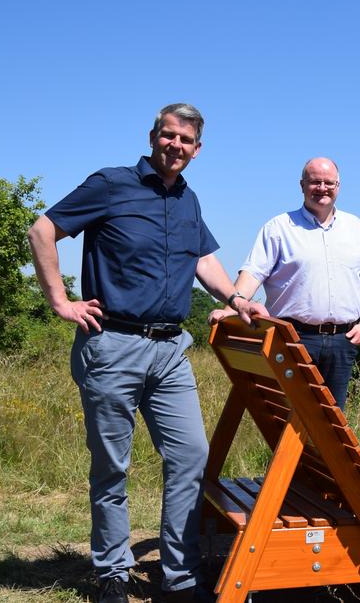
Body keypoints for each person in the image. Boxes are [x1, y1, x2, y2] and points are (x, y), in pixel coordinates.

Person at [27, 103, 265, 603]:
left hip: (171, 349)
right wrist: (60, 301)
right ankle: (112, 572)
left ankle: (179, 575)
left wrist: (238, 299)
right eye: (169, 135)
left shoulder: (188, 199)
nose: (176, 146)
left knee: (190, 456)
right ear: (154, 135)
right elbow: (42, 229)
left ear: (197, 150)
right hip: (112, 344)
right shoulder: (111, 184)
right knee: (112, 464)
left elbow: (203, 258)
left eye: (186, 141)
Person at [213, 157, 360, 409]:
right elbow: (253, 274)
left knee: (333, 420)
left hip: (343, 340)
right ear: (302, 185)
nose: (322, 188)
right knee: (291, 414)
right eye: (315, 182)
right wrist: (229, 310)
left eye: (328, 182)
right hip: (294, 336)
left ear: (338, 186)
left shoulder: (357, 228)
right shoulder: (279, 227)